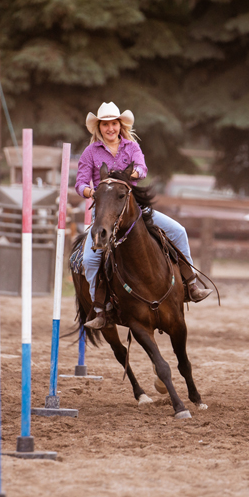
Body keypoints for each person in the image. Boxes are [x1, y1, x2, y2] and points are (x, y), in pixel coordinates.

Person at [75, 102, 211, 330]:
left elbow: (142, 167)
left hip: (135, 208)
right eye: (106, 124)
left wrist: (134, 172)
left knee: (178, 231)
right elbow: (80, 183)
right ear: (100, 127)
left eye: (114, 123)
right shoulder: (90, 152)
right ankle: (100, 309)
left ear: (120, 125)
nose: (110, 128)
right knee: (90, 259)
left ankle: (190, 285)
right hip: (105, 213)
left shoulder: (131, 147)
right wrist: (92, 192)